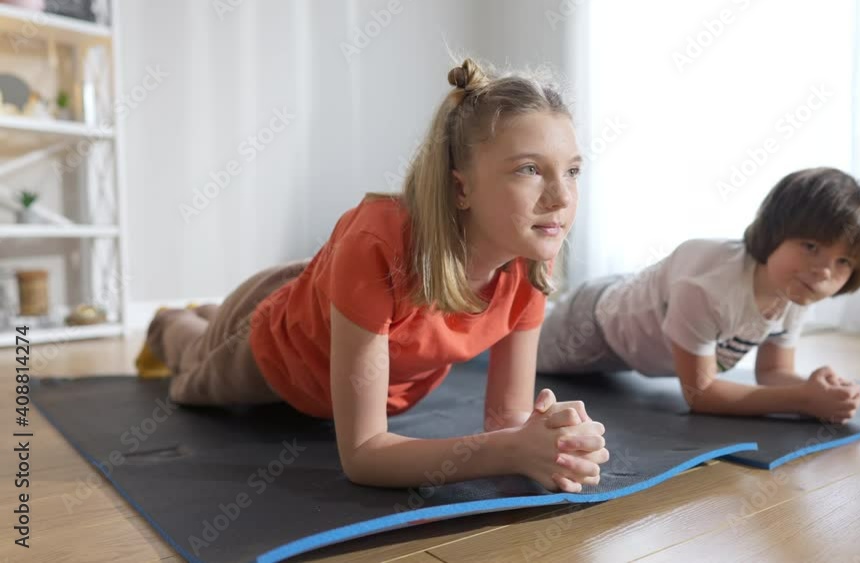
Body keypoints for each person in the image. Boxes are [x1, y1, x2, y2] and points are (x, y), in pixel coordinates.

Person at [135, 59, 608, 493]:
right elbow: (363, 456)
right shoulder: (377, 243)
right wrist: (509, 451)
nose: (561, 197)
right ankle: (172, 320)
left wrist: (552, 442)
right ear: (460, 188)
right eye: (530, 169)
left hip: (336, 306)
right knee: (190, 371)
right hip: (275, 348)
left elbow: (507, 420)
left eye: (572, 171)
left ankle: (208, 313)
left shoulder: (530, 255)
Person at [538, 167, 860, 423]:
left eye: (843, 261)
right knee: (520, 345)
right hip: (591, 326)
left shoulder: (796, 289)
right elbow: (701, 394)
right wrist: (803, 401)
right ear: (775, 231)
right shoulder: (709, 287)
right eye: (811, 246)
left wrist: (818, 390)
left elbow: (773, 372)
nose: (824, 271)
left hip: (634, 310)